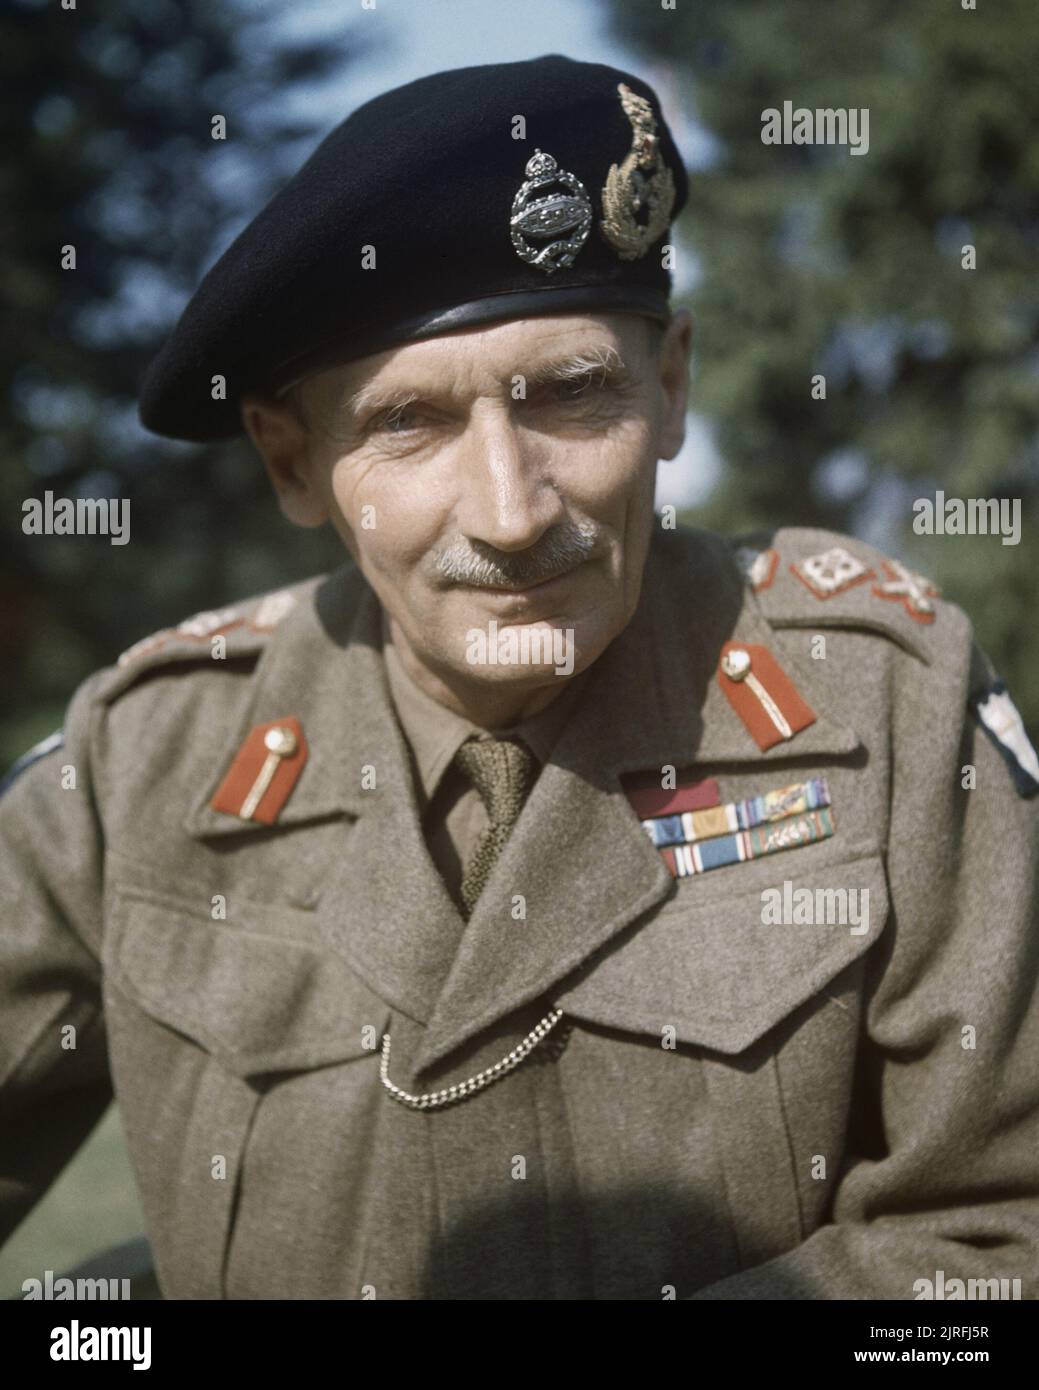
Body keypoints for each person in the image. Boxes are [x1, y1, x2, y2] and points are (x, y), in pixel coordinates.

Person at [2, 54, 1037, 1302]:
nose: (509, 511)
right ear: (290, 463)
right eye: (409, 423)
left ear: (668, 389)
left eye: (570, 394)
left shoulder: (883, 698)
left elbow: (999, 1243)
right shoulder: (143, 759)